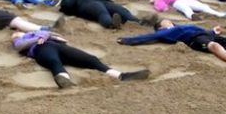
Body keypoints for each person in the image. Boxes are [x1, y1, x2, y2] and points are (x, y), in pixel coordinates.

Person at [119, 18, 226, 65]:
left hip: (206, 34)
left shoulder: (179, 26)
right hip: (196, 40)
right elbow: (149, 37)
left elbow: (203, 30)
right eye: (164, 23)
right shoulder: (168, 33)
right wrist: (128, 40)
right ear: (162, 27)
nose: (168, 22)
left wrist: (213, 31)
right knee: (213, 46)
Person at [11, 31, 148, 88]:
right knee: (53, 62)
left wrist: (45, 36)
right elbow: (20, 46)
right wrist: (39, 38)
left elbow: (50, 33)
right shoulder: (21, 41)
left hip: (59, 46)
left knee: (91, 59)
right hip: (41, 50)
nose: (16, 35)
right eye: (14, 36)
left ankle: (120, 75)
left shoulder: (35, 32)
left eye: (16, 34)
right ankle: (65, 81)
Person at [58, 0, 148, 30]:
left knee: (122, 10)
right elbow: (68, 5)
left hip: (103, 0)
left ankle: (139, 22)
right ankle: (111, 24)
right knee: (101, 12)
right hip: (87, 4)